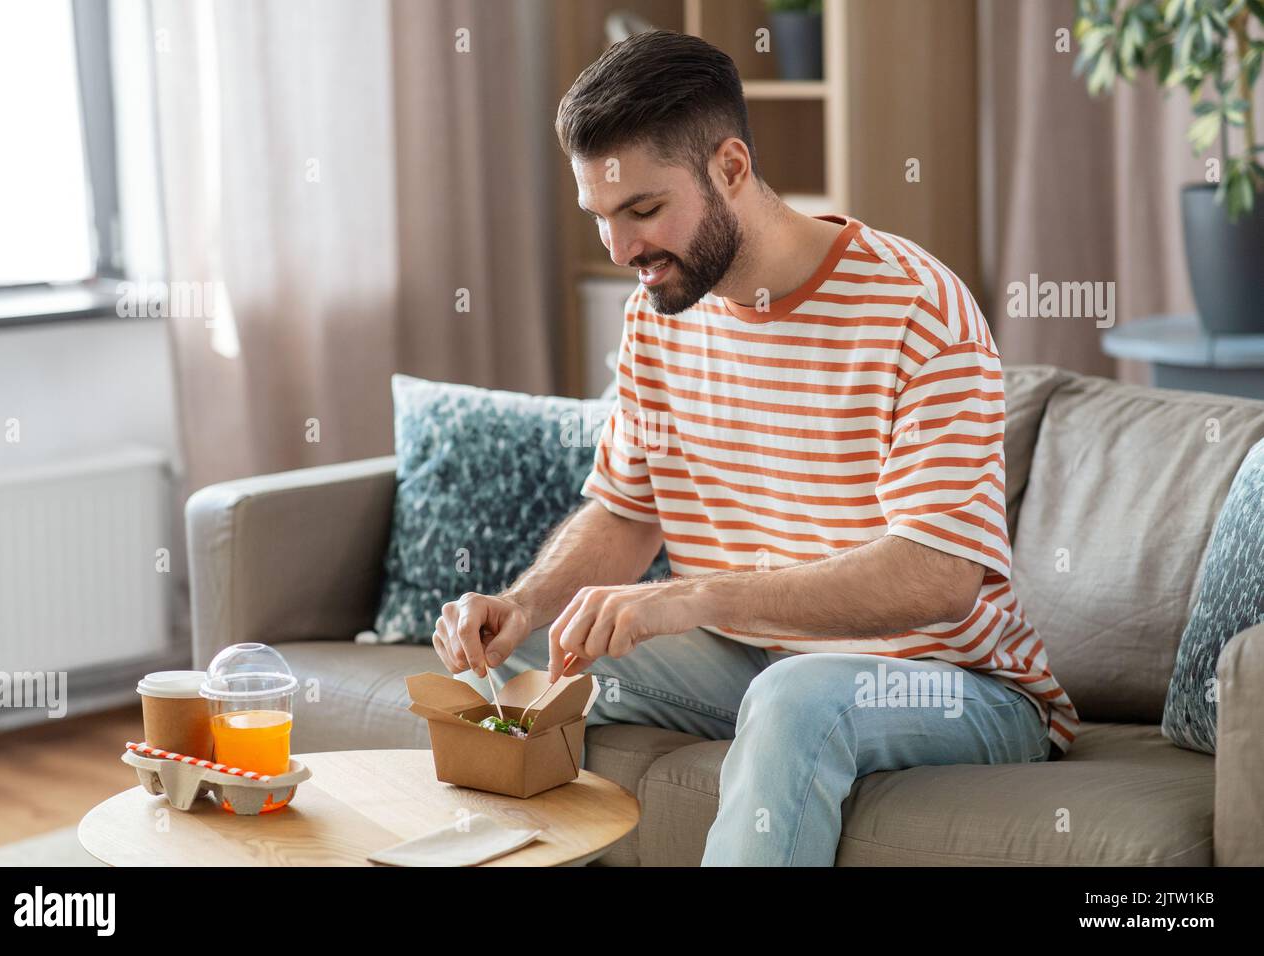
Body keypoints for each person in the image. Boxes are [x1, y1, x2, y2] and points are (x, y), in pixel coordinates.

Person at [434, 30, 1077, 866]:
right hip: (758, 656)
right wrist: (524, 604)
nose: (622, 250)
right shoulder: (656, 318)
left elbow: (940, 576)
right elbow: (628, 514)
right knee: (514, 655)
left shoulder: (918, 312)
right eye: (600, 217)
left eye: (644, 210)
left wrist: (699, 598)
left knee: (795, 695)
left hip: (963, 688)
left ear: (731, 168)